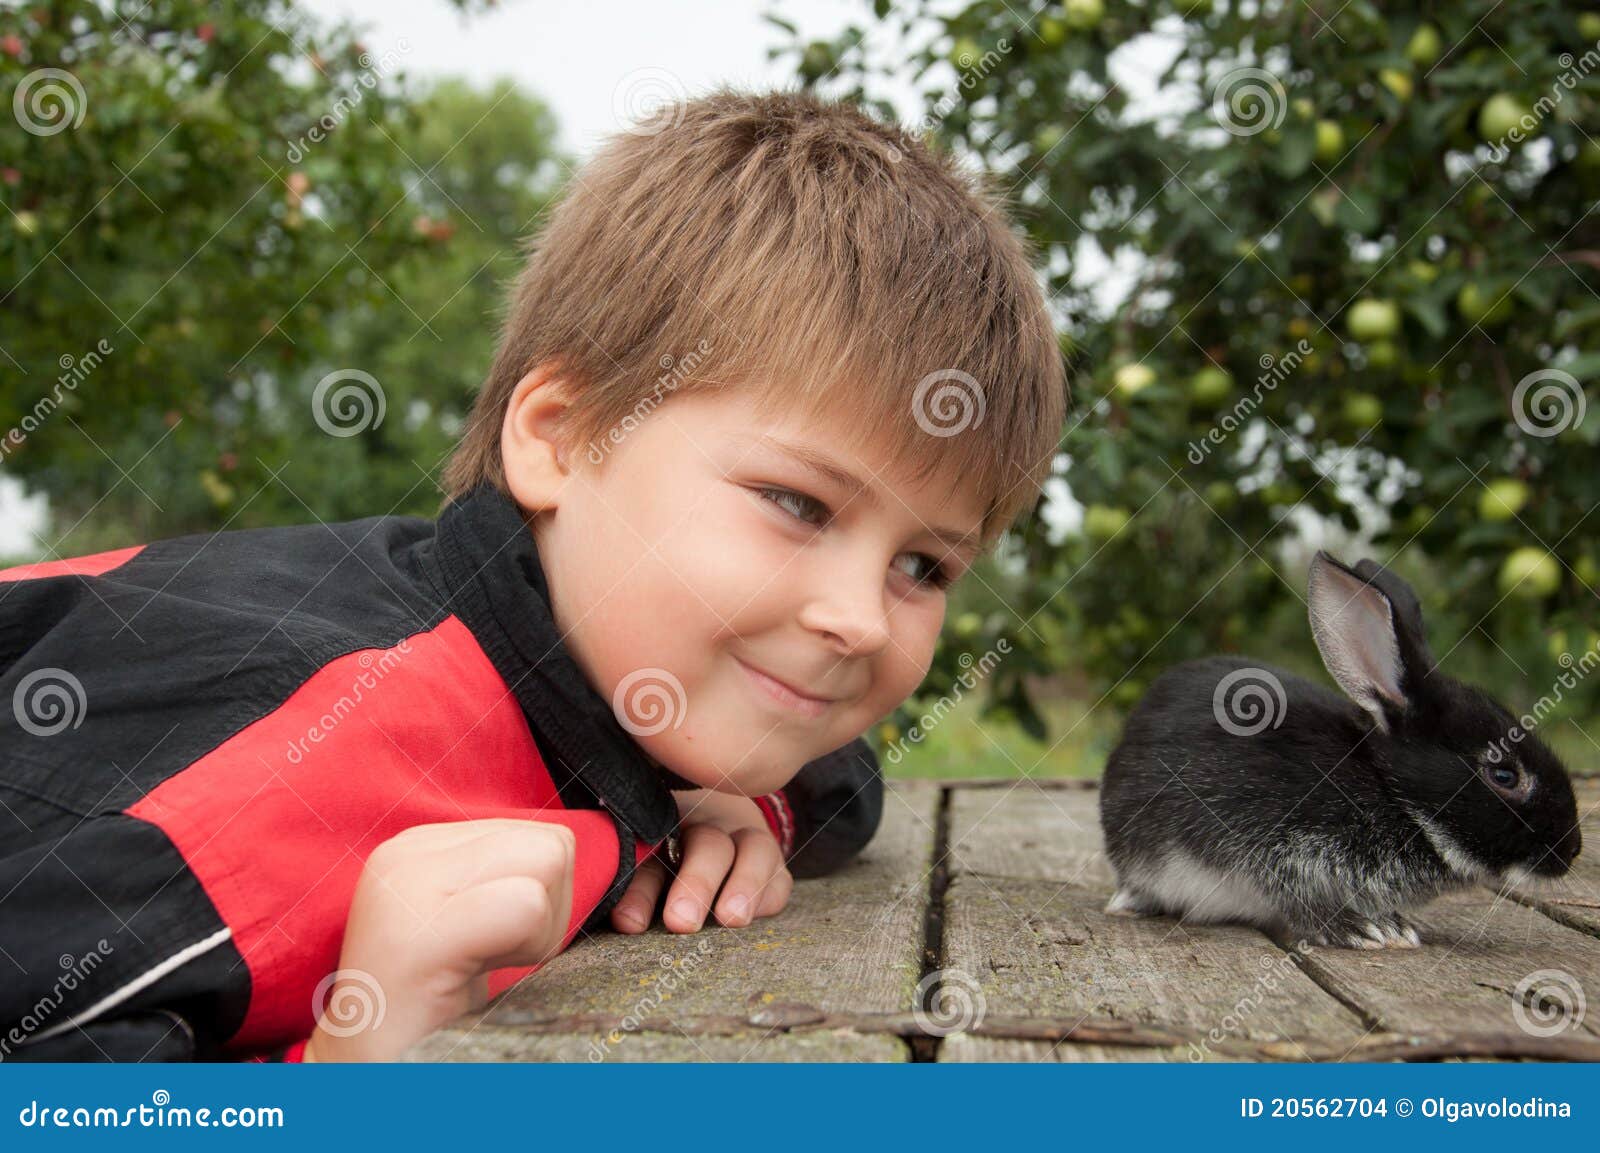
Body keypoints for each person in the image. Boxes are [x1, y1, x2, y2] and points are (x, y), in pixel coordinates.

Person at [0, 87, 1066, 1062]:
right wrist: (345, 1069)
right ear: (558, 439)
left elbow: (847, 782)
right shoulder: (300, 771)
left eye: (922, 564)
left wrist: (725, 801)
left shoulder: (613, 685)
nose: (857, 622)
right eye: (797, 504)